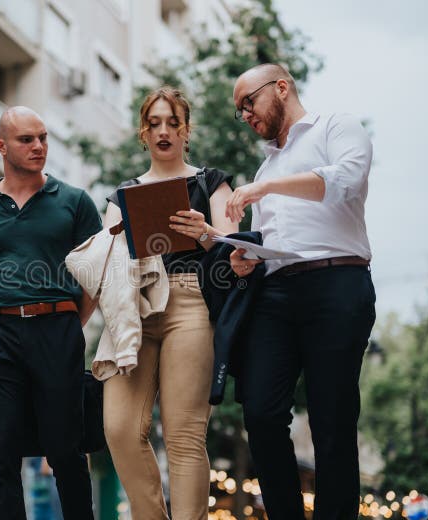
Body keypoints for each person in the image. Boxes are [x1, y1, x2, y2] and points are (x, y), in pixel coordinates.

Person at [226, 63, 376, 519]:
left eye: (248, 102)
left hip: (337, 284)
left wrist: (266, 187)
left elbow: (346, 181)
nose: (246, 115)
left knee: (332, 420)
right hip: (274, 295)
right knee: (260, 411)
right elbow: (271, 239)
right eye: (240, 111)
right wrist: (245, 258)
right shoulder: (264, 165)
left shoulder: (335, 126)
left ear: (281, 87)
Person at [0, 106, 102, 520]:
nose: (39, 146)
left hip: (58, 329)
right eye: (27, 139)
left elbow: (92, 276)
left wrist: (67, 321)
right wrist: (10, 312)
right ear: (2, 146)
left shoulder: (75, 202)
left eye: (42, 137)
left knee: (65, 448)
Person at [102, 86, 237, 520]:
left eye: (172, 122)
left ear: (186, 129)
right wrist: (117, 240)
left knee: (183, 436)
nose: (163, 131)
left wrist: (204, 233)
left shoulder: (210, 181)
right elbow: (106, 260)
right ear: (143, 132)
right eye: (154, 123)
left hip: (190, 302)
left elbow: (237, 246)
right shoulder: (122, 193)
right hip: (135, 306)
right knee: (120, 428)